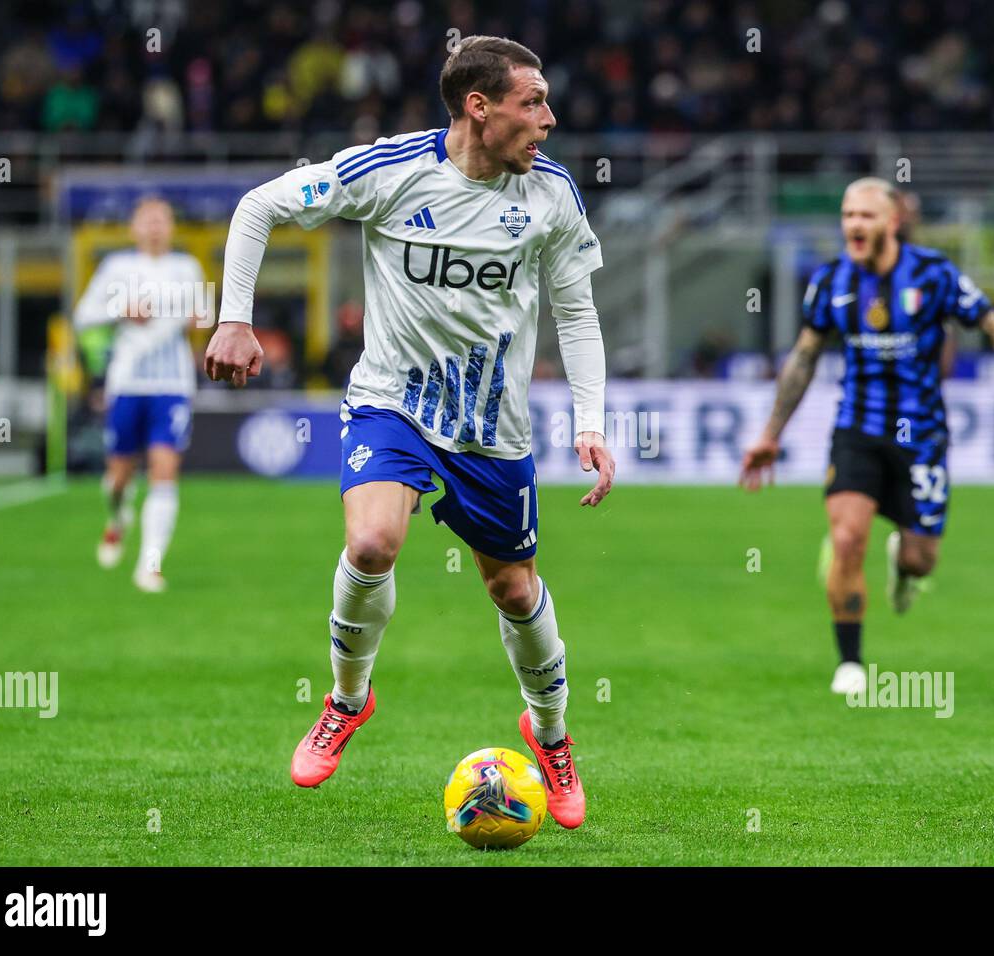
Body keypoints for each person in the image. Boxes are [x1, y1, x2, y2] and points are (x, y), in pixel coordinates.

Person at [202, 36, 613, 830]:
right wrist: (235, 320)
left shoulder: (552, 195)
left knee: (512, 588)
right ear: (477, 106)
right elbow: (260, 206)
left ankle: (552, 738)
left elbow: (576, 311)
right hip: (392, 403)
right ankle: (348, 700)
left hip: (491, 427)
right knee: (370, 545)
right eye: (533, 103)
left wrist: (591, 423)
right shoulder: (387, 170)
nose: (550, 120)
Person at [740, 177, 994, 696]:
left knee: (922, 559)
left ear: (892, 222)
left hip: (921, 436)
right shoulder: (830, 281)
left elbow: (993, 326)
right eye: (848, 215)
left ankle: (903, 563)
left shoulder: (934, 273)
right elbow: (804, 357)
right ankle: (849, 662)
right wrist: (769, 433)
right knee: (849, 538)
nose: (854, 224)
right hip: (857, 429)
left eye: (866, 216)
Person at [73, 196, 203, 593]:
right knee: (117, 478)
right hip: (127, 384)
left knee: (164, 470)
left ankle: (150, 565)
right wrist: (122, 309)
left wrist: (196, 317)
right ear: (133, 228)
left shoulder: (187, 267)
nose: (154, 227)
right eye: (146, 220)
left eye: (161, 220)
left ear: (171, 227)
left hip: (172, 385)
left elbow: (205, 314)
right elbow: (82, 316)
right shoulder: (117, 267)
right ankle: (117, 519)